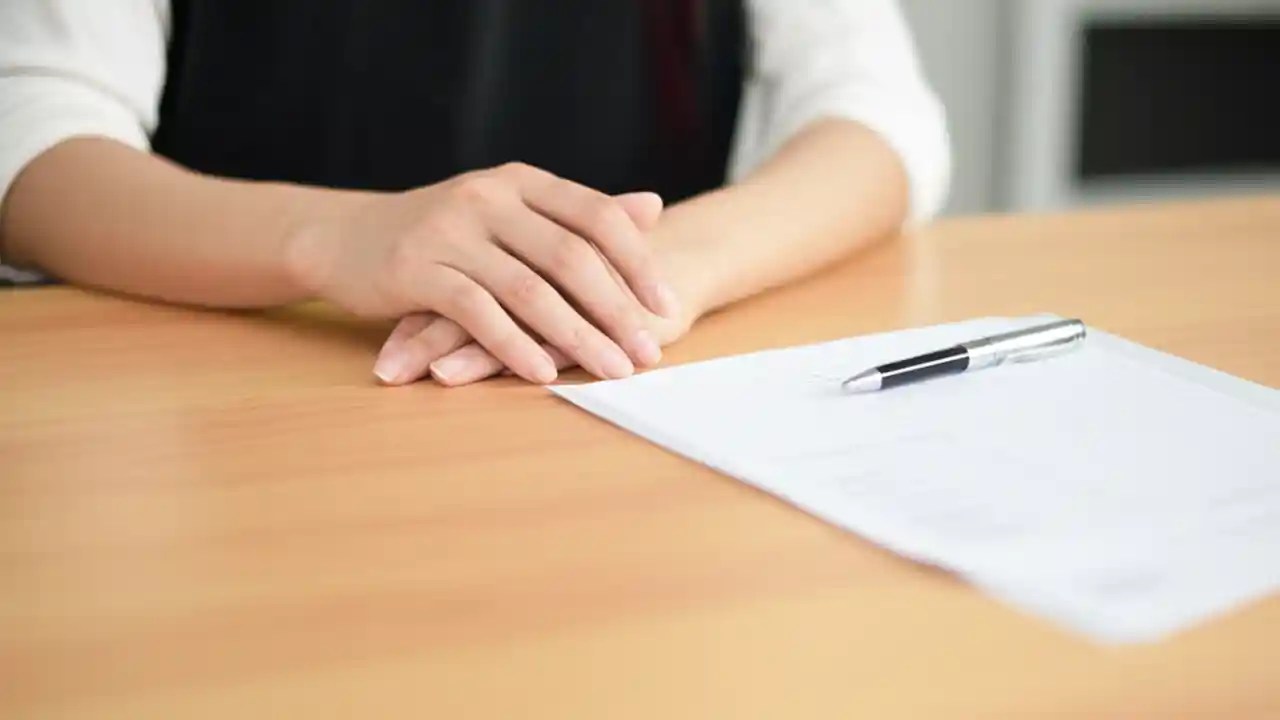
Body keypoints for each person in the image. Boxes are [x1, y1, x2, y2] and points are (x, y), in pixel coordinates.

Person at [0, 0, 948, 387]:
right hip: (232, 400)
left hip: (607, 411)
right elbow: (33, 139)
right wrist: (338, 240)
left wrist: (648, 273)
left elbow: (879, 116)